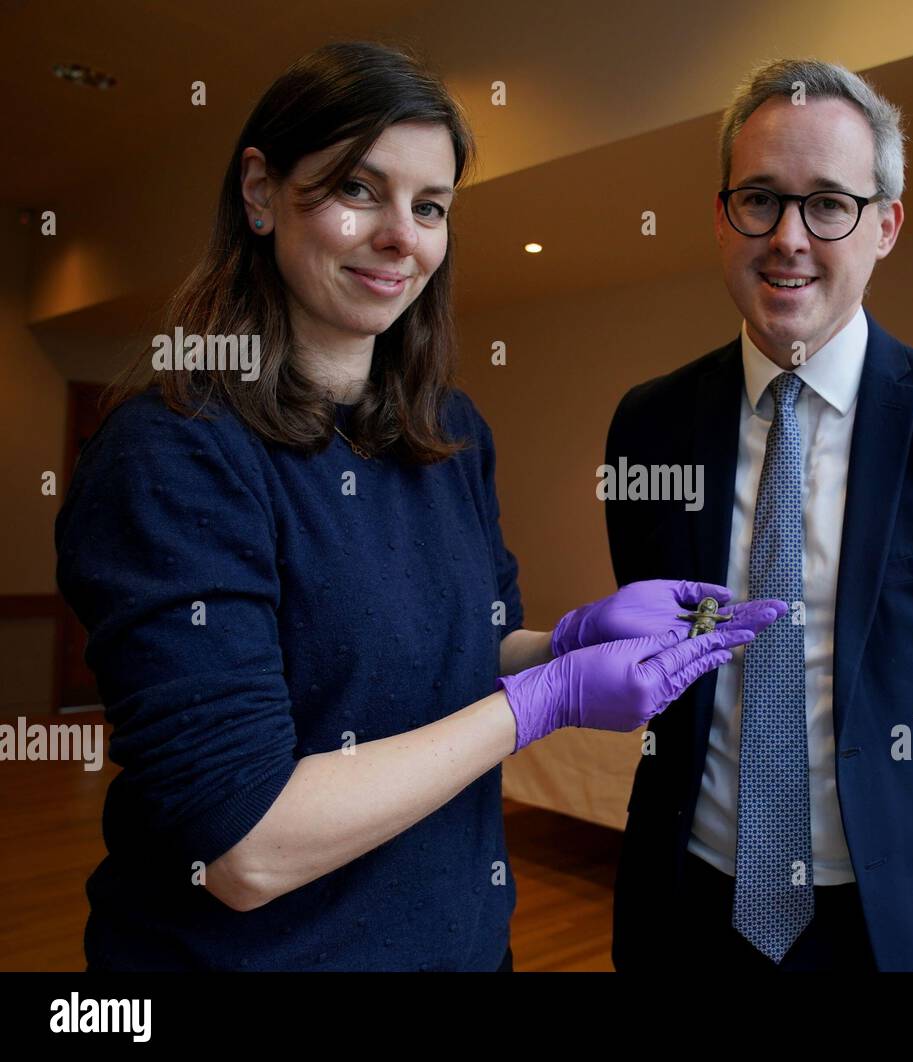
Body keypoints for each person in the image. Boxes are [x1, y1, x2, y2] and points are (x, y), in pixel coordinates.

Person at [54, 41, 782, 973]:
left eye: (430, 207)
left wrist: (564, 643)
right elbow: (245, 847)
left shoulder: (450, 432)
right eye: (360, 189)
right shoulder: (176, 452)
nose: (404, 236)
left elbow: (463, 655)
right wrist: (545, 701)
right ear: (260, 192)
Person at [605, 58, 913, 972]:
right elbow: (663, 641)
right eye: (760, 199)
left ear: (885, 224)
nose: (788, 237)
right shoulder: (648, 426)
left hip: (910, 923)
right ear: (720, 215)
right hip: (694, 911)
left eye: (828, 203)